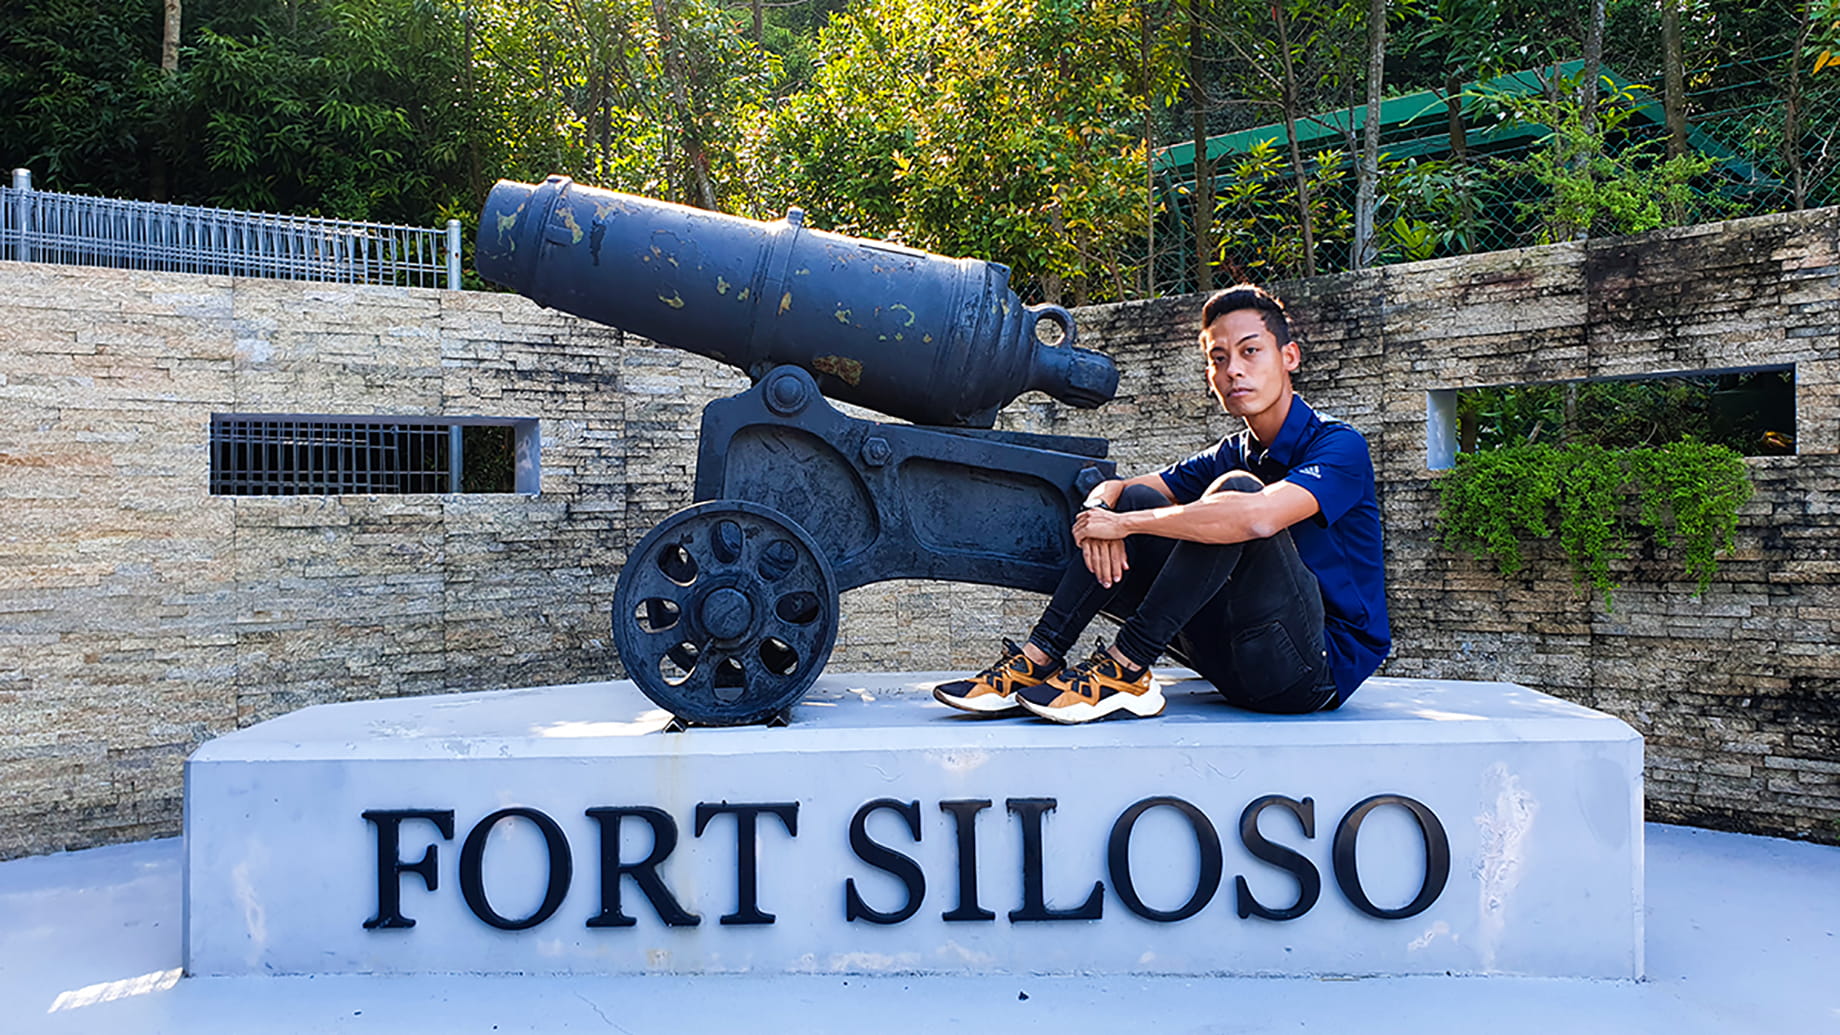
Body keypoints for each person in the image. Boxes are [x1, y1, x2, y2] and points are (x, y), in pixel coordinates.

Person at [933, 283, 1389, 724]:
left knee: (1234, 497)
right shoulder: (1235, 449)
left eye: (1250, 351)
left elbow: (1257, 516)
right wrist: (1104, 512)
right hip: (1230, 661)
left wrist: (1127, 526)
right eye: (1218, 358)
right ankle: (1039, 657)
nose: (1233, 370)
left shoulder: (1339, 446)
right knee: (1138, 498)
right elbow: (1122, 488)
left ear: (1288, 357)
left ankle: (1126, 667)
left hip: (1308, 674)